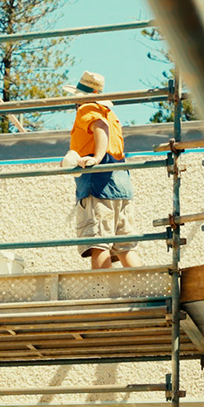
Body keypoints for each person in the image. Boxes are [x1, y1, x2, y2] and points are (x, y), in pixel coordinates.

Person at [63, 70, 142, 270]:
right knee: (125, 247)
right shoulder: (110, 113)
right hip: (120, 187)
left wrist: (96, 157)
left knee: (98, 243)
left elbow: (100, 126)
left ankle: (103, 294)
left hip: (98, 187)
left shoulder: (87, 108)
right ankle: (141, 289)